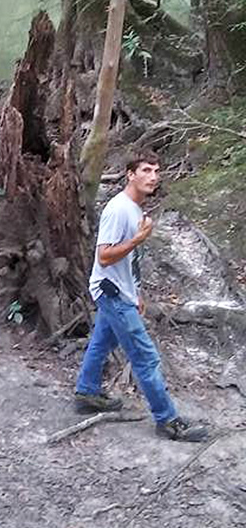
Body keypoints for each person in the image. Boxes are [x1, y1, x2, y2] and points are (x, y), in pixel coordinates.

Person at [75, 152, 208, 443]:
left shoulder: (136, 209)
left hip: (121, 292)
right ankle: (168, 420)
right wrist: (137, 239)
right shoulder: (119, 209)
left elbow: (129, 260)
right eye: (146, 170)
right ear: (130, 174)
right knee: (146, 357)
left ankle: (86, 392)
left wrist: (136, 292)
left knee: (102, 340)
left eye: (157, 171)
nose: (153, 176)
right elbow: (105, 256)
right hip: (110, 292)